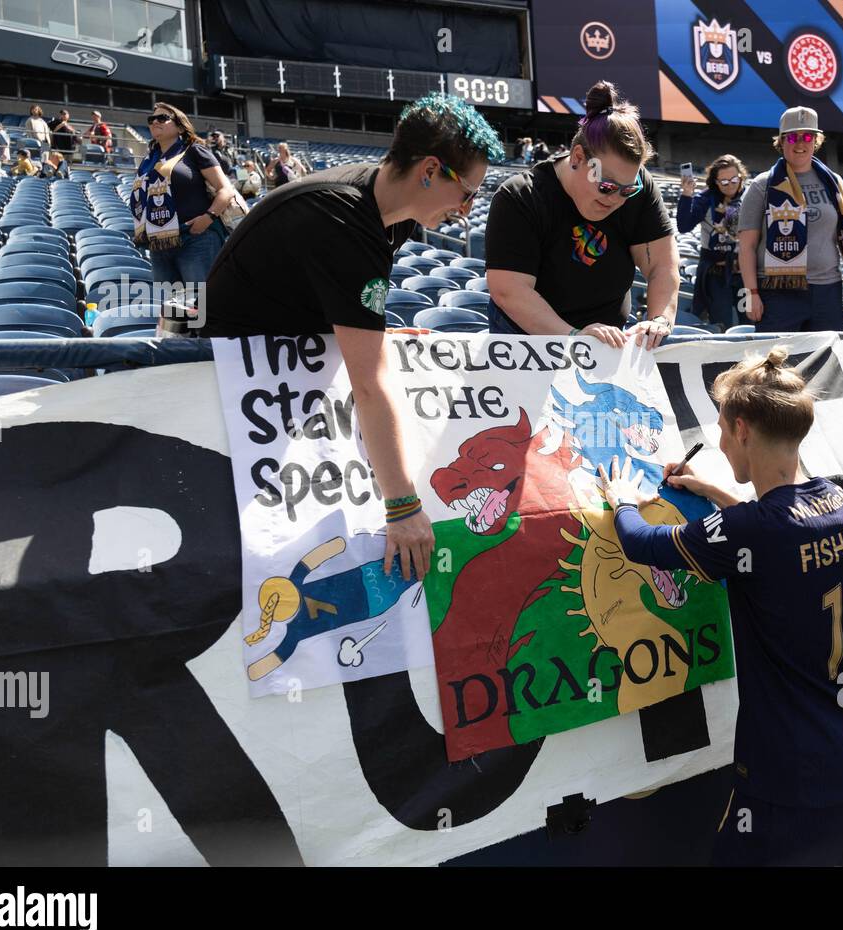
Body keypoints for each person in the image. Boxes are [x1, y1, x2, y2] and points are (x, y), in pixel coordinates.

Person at [596, 346, 843, 866]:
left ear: (743, 431)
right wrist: (714, 491)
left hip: (794, 775)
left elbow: (643, 544)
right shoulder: (837, 503)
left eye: (719, 428)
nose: (716, 442)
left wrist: (622, 499)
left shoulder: (750, 529)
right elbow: (775, 532)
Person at [201, 94, 504, 580]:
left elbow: (342, 305)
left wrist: (378, 333)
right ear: (430, 171)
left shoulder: (391, 209)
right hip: (218, 369)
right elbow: (368, 381)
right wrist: (403, 509)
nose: (466, 211)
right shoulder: (342, 217)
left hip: (270, 360)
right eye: (466, 192)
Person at [485, 80, 679, 350]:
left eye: (627, 190)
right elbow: (509, 290)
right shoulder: (521, 195)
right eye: (607, 186)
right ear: (577, 157)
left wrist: (659, 320)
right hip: (526, 343)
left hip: (608, 341)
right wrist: (574, 336)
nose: (615, 199)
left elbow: (662, 265)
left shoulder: (640, 188)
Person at [737, 106, 843, 333]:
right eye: (792, 137)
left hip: (828, 291)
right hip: (778, 294)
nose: (800, 144)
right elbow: (747, 246)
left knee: (825, 364)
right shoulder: (763, 185)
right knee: (777, 364)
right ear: (781, 141)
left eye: (807, 136)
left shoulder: (835, 183)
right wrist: (752, 293)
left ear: (816, 140)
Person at [130, 102, 237, 286]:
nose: (155, 121)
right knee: (173, 310)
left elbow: (226, 189)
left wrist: (208, 217)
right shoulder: (148, 160)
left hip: (196, 238)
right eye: (151, 119)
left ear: (180, 126)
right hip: (160, 243)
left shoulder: (194, 150)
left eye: (162, 118)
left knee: (201, 305)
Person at [677, 154, 748, 327]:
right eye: (723, 182)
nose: (730, 185)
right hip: (716, 274)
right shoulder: (705, 199)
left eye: (734, 179)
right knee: (722, 322)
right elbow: (684, 226)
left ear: (741, 176)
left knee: (749, 320)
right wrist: (687, 195)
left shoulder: (752, 196)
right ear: (715, 182)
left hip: (745, 275)